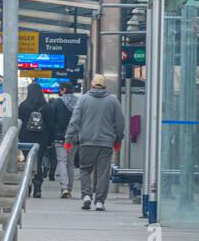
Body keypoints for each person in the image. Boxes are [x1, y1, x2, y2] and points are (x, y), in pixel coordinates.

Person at [64, 74, 125, 212]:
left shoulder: (83, 99)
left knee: (85, 170)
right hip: (106, 143)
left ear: (91, 85)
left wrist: (69, 139)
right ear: (105, 86)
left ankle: (86, 196)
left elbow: (75, 121)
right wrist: (118, 140)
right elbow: (120, 123)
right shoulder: (113, 101)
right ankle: (99, 201)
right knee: (103, 172)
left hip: (86, 142)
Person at [17, 81, 52, 199]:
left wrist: (19, 137)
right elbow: (50, 125)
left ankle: (27, 187)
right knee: (38, 162)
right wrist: (49, 141)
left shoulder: (23, 106)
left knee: (28, 162)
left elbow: (19, 123)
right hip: (41, 138)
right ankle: (38, 188)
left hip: (26, 138)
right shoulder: (46, 107)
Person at [47, 82, 78, 198]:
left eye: (60, 89)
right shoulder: (79, 102)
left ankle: (64, 187)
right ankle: (69, 188)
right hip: (74, 137)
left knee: (62, 161)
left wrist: (51, 136)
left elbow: (52, 121)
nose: (59, 91)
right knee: (70, 162)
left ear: (63, 90)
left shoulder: (57, 102)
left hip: (60, 138)